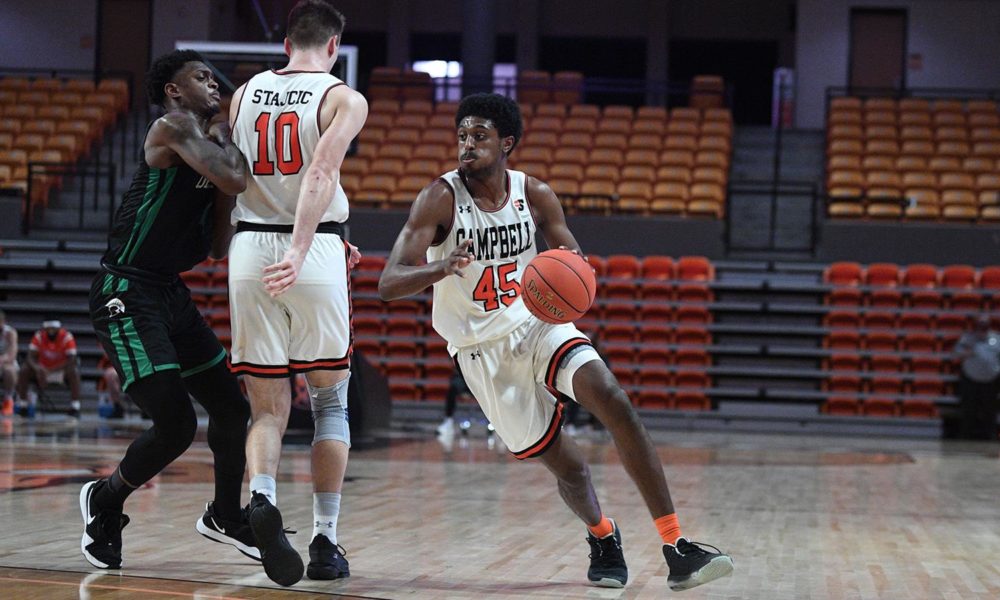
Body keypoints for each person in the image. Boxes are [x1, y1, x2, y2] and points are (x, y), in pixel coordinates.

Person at [378, 93, 733, 592]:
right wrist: (441, 266)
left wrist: (569, 275)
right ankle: (603, 534)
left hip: (538, 322)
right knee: (569, 468)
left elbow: (574, 262)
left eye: (478, 136)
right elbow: (388, 283)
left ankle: (677, 546)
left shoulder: (536, 194)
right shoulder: (438, 198)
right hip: (483, 351)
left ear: (507, 144)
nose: (466, 145)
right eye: (461, 136)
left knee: (615, 400)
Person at [79, 49, 255, 571]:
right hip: (125, 290)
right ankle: (104, 500)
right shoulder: (172, 125)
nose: (214, 85)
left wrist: (224, 181)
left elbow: (220, 243)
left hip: (168, 291)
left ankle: (226, 514)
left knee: (231, 408)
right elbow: (237, 176)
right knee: (176, 425)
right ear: (175, 90)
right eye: (202, 77)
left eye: (214, 79)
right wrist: (228, 137)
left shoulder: (210, 147)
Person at [227, 0, 367, 586]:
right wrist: (307, 249)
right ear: (334, 47)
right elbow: (320, 173)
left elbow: (228, 175)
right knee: (330, 402)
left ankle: (260, 497)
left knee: (266, 407)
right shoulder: (342, 97)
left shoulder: (242, 94)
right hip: (307, 252)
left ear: (286, 44)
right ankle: (325, 542)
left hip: (247, 250)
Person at [16, 319, 81, 418]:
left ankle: (75, 407)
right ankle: (23, 406)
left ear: (58, 328)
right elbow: (30, 356)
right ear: (45, 329)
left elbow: (72, 359)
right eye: (48, 329)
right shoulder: (39, 336)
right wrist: (37, 368)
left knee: (74, 371)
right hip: (42, 370)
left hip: (60, 370)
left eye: (53, 329)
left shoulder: (67, 337)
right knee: (24, 370)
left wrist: (53, 370)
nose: (51, 331)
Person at [952, 315, 1000, 440]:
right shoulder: (967, 338)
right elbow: (956, 352)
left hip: (990, 381)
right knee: (969, 410)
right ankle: (966, 435)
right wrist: (967, 352)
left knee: (989, 411)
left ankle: (989, 436)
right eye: (980, 325)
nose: (982, 328)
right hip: (970, 379)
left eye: (985, 326)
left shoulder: (996, 339)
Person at [0, 310, 17, 417]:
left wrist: (2, 359)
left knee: (9, 371)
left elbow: (12, 354)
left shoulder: (10, 333)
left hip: (7, 362)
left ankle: (8, 400)